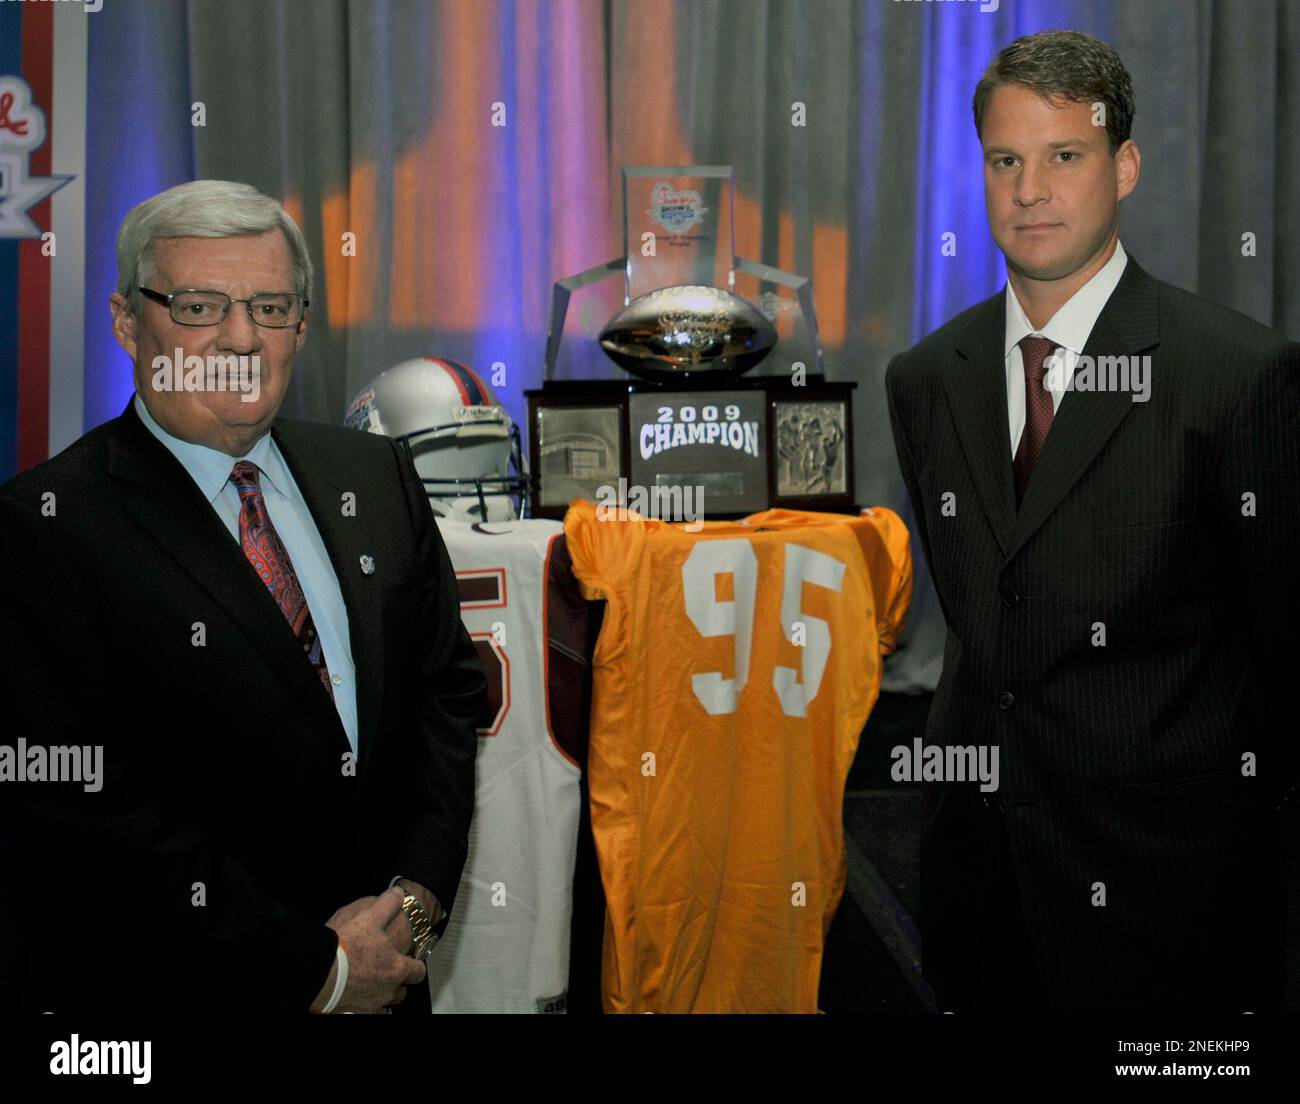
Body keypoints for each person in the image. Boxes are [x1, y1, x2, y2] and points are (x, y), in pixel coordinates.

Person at [0, 179, 487, 1013]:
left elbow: (446, 694)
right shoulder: (44, 527)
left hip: (392, 979)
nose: (239, 337)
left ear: (300, 323)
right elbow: (82, 812)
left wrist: (412, 901)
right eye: (197, 306)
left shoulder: (372, 477)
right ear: (126, 322)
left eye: (270, 306)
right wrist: (319, 968)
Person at [885, 30, 1299, 1011]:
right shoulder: (922, 382)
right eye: (1004, 160)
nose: (1029, 188)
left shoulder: (1236, 379)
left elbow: (1281, 659)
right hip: (978, 885)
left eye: (1062, 156)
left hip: (1170, 904)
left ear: (1123, 167)